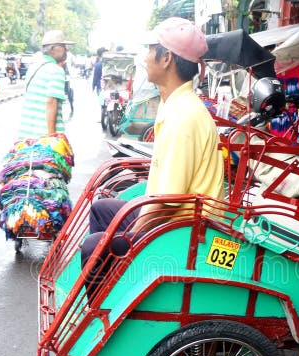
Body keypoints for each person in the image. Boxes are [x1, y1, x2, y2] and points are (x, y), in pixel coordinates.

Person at [80, 17, 223, 289]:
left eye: (150, 50)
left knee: (94, 247)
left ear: (166, 58)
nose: (145, 57)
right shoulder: (177, 104)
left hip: (185, 229)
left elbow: (166, 201)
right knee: (101, 211)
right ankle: (114, 287)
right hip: (174, 214)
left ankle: (106, 310)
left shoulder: (184, 116)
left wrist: (131, 240)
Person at [17, 30, 73, 139]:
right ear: (52, 49)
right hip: (44, 139)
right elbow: (51, 102)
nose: (67, 49)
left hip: (25, 137)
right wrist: (51, 137)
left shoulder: (33, 67)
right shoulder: (56, 70)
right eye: (63, 46)